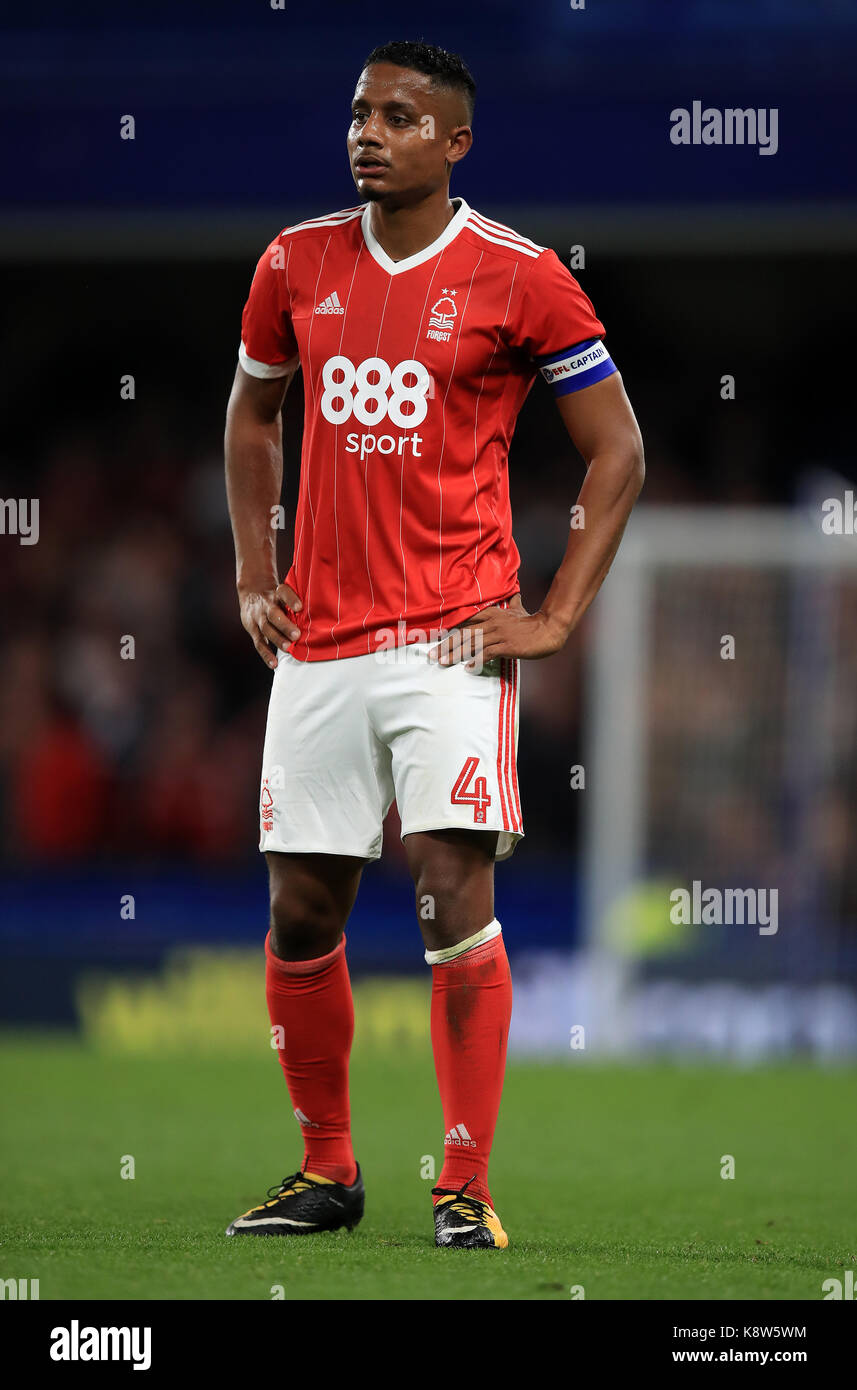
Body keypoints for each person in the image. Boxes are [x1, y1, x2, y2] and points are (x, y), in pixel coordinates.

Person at [223, 39, 644, 1249]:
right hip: (320, 641)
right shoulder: (293, 261)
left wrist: (556, 613)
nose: (368, 131)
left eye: (399, 117)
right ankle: (326, 1173)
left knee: (448, 889)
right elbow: (252, 410)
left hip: (452, 638)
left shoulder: (521, 278)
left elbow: (617, 450)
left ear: (453, 142)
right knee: (301, 909)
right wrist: (257, 569)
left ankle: (462, 1183)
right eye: (359, 111)